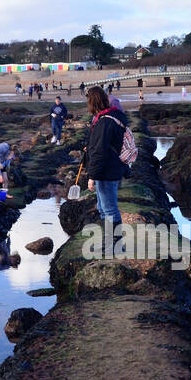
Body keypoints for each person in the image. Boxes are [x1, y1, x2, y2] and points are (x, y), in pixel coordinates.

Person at [85, 86, 127, 255]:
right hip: (112, 168)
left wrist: (92, 176)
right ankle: (109, 243)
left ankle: (115, 245)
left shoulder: (105, 121)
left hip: (107, 171)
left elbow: (100, 151)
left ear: (93, 102)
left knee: (109, 209)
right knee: (103, 208)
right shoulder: (112, 117)